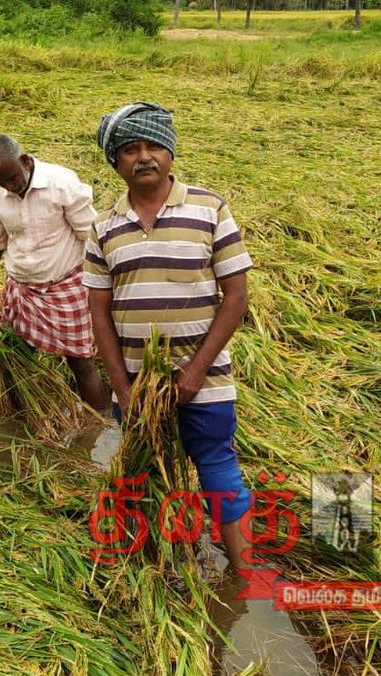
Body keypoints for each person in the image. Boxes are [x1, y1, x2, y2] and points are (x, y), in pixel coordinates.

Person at [82, 102, 256, 572]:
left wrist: (195, 371)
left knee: (218, 468)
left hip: (206, 379)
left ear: (171, 154)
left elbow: (236, 295)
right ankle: (157, 562)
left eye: (153, 146)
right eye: (131, 149)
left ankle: (244, 573)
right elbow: (99, 315)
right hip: (136, 384)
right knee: (144, 472)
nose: (144, 157)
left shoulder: (209, 208)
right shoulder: (103, 228)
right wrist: (124, 390)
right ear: (115, 161)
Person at [0, 134, 108, 410]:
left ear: (26, 161)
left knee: (81, 362)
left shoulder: (61, 185)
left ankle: (97, 426)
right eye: (0, 182)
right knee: (18, 354)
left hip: (65, 286)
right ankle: (25, 413)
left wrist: (106, 288)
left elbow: (92, 237)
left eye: (12, 178)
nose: (9, 186)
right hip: (21, 290)